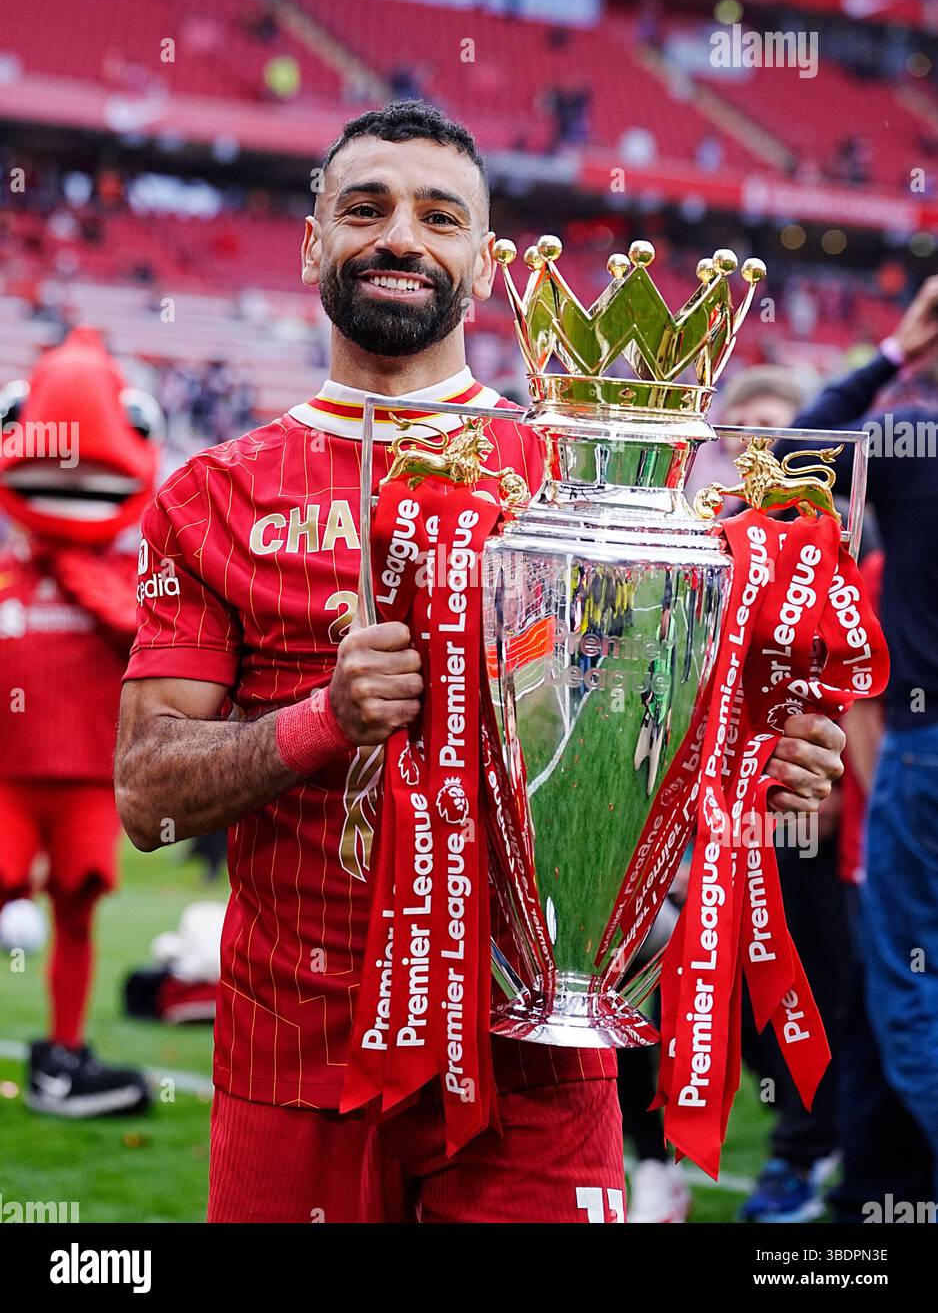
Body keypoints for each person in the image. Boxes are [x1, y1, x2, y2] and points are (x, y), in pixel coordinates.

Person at [114, 101, 844, 1224]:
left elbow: (659, 738)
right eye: (364, 209)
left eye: (437, 215)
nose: (399, 236)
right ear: (312, 243)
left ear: (482, 257)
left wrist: (762, 756)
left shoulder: (581, 483)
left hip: (537, 1054)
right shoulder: (215, 494)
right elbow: (147, 796)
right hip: (295, 1059)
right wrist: (326, 717)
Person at [782, 275, 938, 1202]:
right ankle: (871, 1189)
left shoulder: (917, 447)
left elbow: (793, 455)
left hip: (924, 752)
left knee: (908, 987)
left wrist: (893, 352)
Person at [0, 328, 159, 1116]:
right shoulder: (5, 576)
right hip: (9, 782)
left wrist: (76, 573)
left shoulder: (128, 578)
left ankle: (62, 1058)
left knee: (77, 908)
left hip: (91, 783)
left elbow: (143, 638)